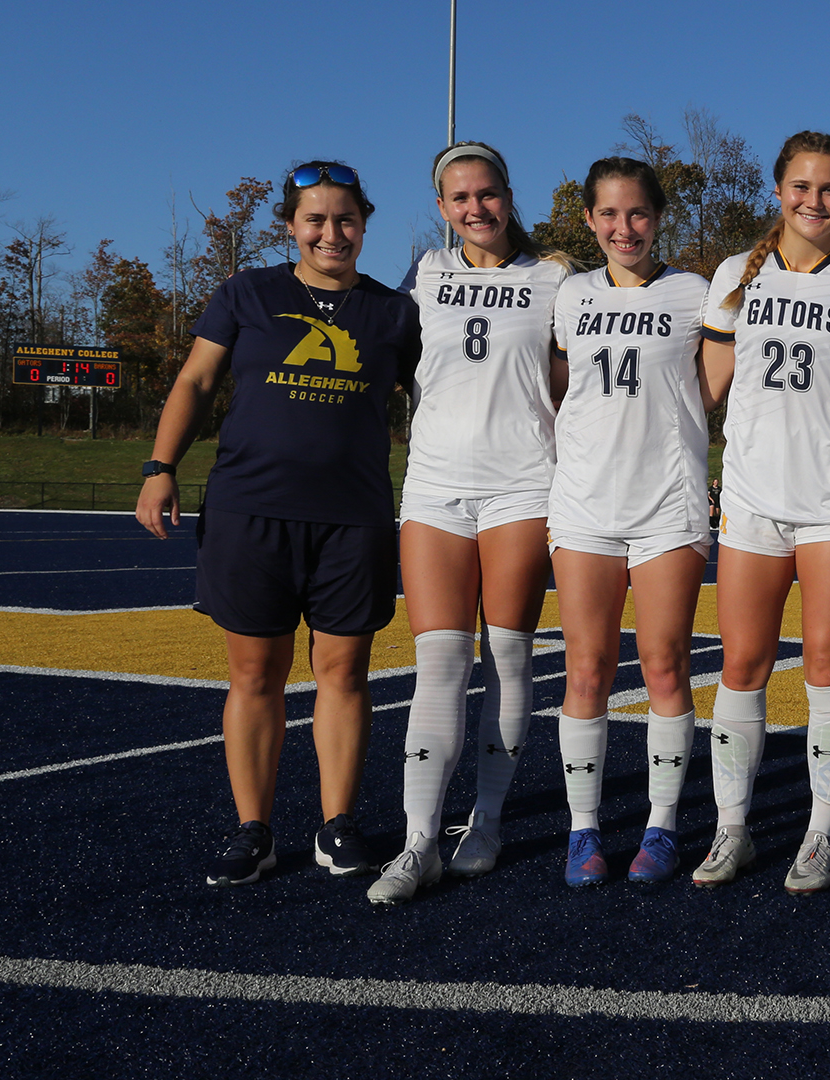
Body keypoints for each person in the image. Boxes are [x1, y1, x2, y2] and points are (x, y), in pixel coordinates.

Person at [135, 161, 419, 887]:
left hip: (352, 518)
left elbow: (448, 394)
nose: (331, 232)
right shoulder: (248, 292)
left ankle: (337, 823)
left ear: (365, 222)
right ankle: (253, 830)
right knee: (256, 674)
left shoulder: (395, 313)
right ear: (291, 225)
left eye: (345, 218)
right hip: (250, 511)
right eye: (315, 219)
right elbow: (197, 379)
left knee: (344, 673)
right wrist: (160, 467)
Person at [695, 131, 830, 893]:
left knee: (825, 663)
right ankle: (732, 827)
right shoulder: (734, 274)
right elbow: (702, 395)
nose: (814, 201)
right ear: (778, 189)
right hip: (754, 495)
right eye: (801, 186)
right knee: (742, 664)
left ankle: (823, 831)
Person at [368, 142, 573, 906]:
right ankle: (420, 840)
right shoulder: (423, 273)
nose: (475, 208)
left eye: (487, 193)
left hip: (521, 484)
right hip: (435, 487)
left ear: (508, 195)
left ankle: (485, 822)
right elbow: (379, 361)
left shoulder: (554, 278)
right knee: (441, 665)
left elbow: (583, 374)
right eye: (460, 198)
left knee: (508, 659)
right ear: (441, 208)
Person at [546, 157, 712, 886]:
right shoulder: (569, 294)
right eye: (609, 214)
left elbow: (717, 386)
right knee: (586, 668)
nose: (624, 227)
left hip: (667, 503)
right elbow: (557, 388)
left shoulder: (695, 292)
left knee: (664, 665)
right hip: (585, 501)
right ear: (589, 219)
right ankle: (583, 830)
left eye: (638, 212)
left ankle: (662, 826)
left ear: (658, 216)